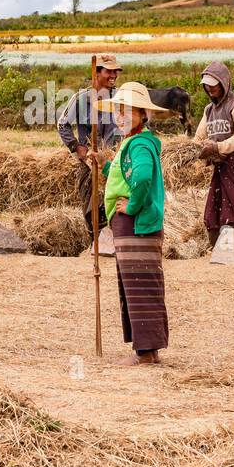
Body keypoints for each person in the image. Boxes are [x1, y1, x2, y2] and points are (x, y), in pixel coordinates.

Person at [95, 82, 170, 366]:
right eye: (117, 109)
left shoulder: (139, 144)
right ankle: (145, 350)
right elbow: (125, 177)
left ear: (142, 113)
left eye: (127, 110)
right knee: (137, 284)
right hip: (132, 224)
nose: (120, 115)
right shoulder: (133, 141)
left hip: (137, 223)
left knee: (140, 285)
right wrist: (102, 165)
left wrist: (133, 205)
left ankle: (148, 354)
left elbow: (141, 178)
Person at [57, 53, 123, 238]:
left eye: (115, 72)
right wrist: (77, 147)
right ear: (96, 73)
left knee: (118, 202)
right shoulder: (81, 98)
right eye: (108, 71)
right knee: (91, 205)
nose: (113, 76)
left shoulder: (121, 98)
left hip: (116, 160)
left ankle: (116, 240)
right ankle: (94, 240)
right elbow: (62, 124)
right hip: (89, 161)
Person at [195, 62, 234, 247]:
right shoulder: (209, 110)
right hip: (218, 164)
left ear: (224, 83)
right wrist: (192, 150)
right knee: (214, 205)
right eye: (207, 85)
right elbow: (198, 136)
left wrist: (217, 147)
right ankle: (216, 248)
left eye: (214, 84)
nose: (210, 88)